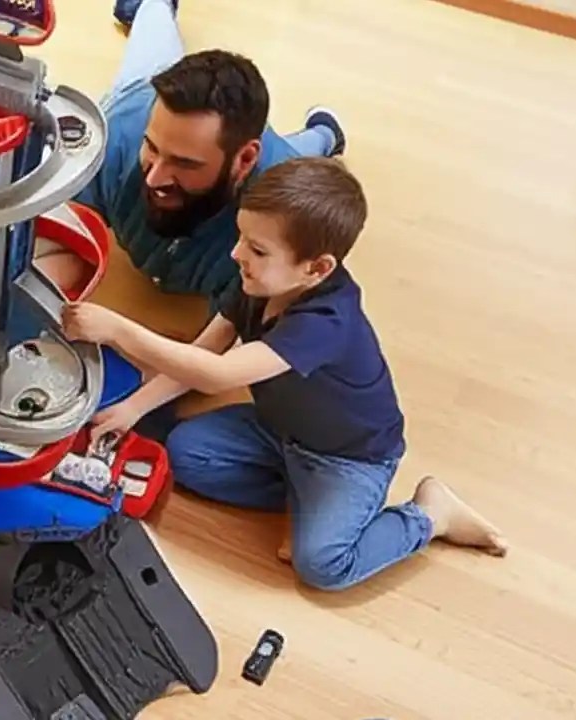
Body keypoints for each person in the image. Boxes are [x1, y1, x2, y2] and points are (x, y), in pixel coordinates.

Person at [60, 157, 508, 591]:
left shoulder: (324, 322)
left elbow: (216, 374)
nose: (237, 254)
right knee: (185, 453)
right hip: (280, 432)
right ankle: (306, 499)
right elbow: (203, 351)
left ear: (317, 269)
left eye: (256, 250)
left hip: (349, 458)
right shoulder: (260, 281)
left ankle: (430, 514)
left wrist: (118, 329)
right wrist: (132, 409)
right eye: (241, 238)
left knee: (324, 565)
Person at [35, 0, 346, 310]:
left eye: (184, 163)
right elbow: (65, 235)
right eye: (152, 148)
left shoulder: (284, 210)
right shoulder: (116, 135)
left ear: (246, 160)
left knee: (303, 160)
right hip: (136, 97)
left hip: (275, 166)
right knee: (152, 36)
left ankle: (324, 135)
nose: (155, 177)